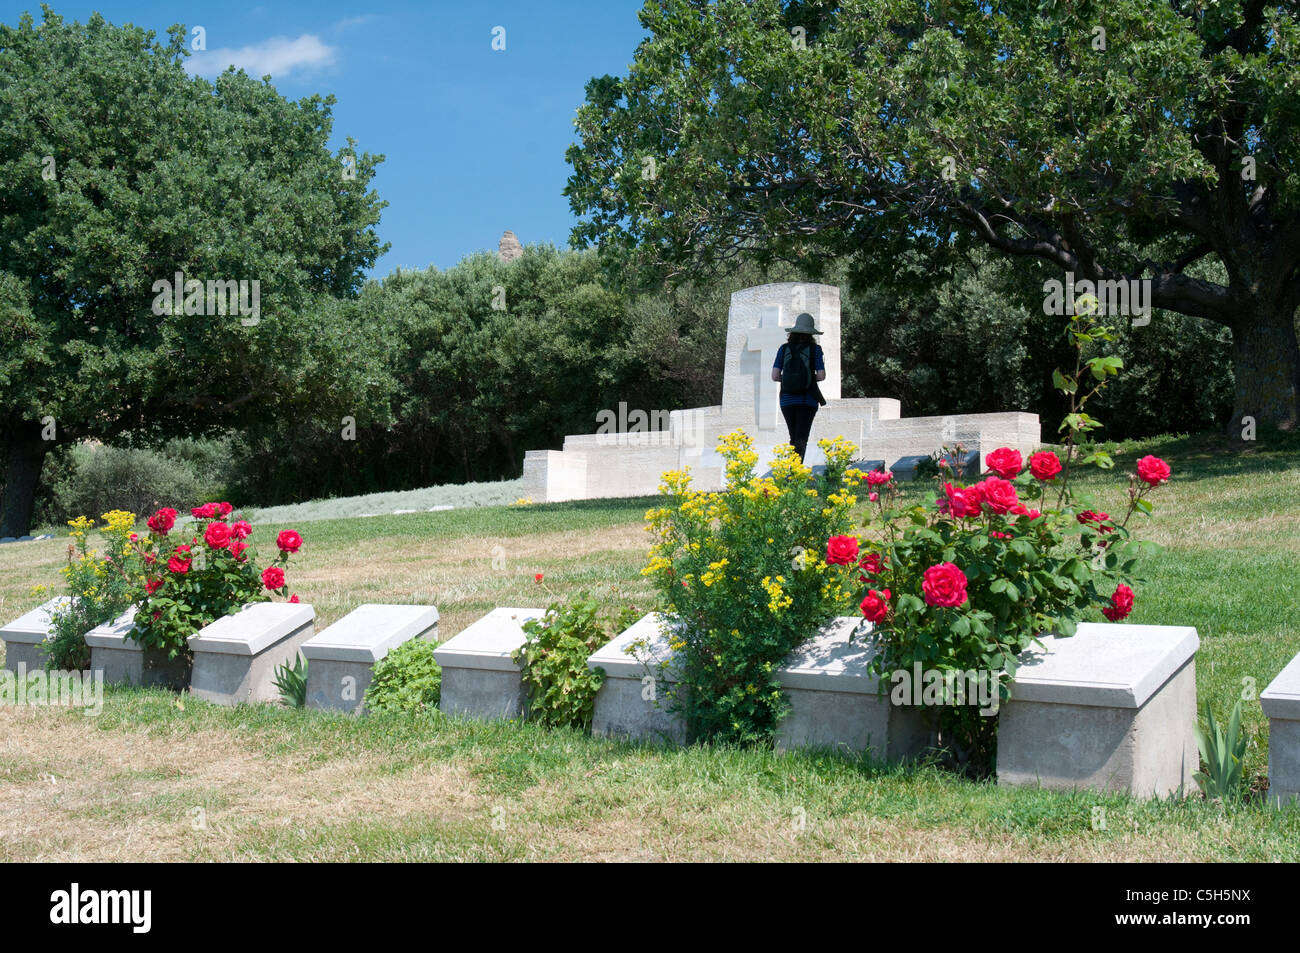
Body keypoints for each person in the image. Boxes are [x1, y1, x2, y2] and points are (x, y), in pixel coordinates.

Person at [770, 312, 827, 461]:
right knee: (802, 438)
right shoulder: (815, 350)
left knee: (793, 437)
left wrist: (790, 379)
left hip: (787, 401)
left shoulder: (783, 349)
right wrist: (806, 378)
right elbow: (821, 376)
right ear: (810, 333)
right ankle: (795, 474)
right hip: (807, 401)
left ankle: (792, 471)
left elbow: (775, 376)